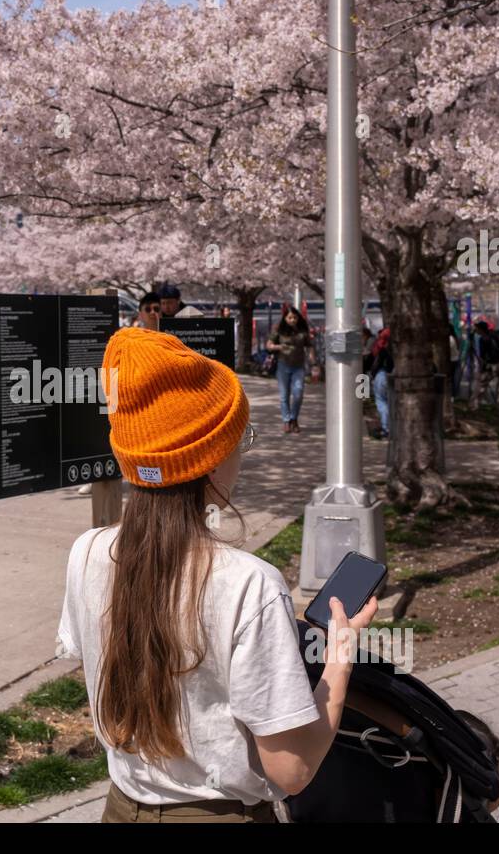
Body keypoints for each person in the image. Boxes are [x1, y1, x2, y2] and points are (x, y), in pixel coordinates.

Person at [58, 327, 377, 823]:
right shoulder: (248, 583)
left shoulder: (87, 552)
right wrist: (340, 653)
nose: (240, 455)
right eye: (238, 439)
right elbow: (291, 769)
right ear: (209, 459)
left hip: (120, 808)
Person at [265, 307, 312, 433]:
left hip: (299, 366)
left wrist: (314, 361)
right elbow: (268, 345)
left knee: (298, 393)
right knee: (284, 395)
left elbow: (310, 346)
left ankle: (294, 418)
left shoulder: (302, 330)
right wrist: (278, 346)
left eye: (295, 317)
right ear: (285, 318)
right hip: (283, 365)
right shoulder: (278, 330)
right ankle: (286, 420)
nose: (292, 320)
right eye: (290, 317)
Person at [469, 320, 499, 411]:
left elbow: (483, 356)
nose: (476, 331)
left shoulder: (484, 339)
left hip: (493, 364)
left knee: (481, 384)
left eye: (477, 329)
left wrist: (483, 367)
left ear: (480, 330)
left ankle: (474, 405)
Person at [369, 326, 392, 438]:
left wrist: (372, 375)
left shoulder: (382, 347)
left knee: (382, 402)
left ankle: (385, 427)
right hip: (395, 377)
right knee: (391, 402)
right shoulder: (402, 348)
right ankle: (391, 427)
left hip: (381, 376)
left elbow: (375, 362)